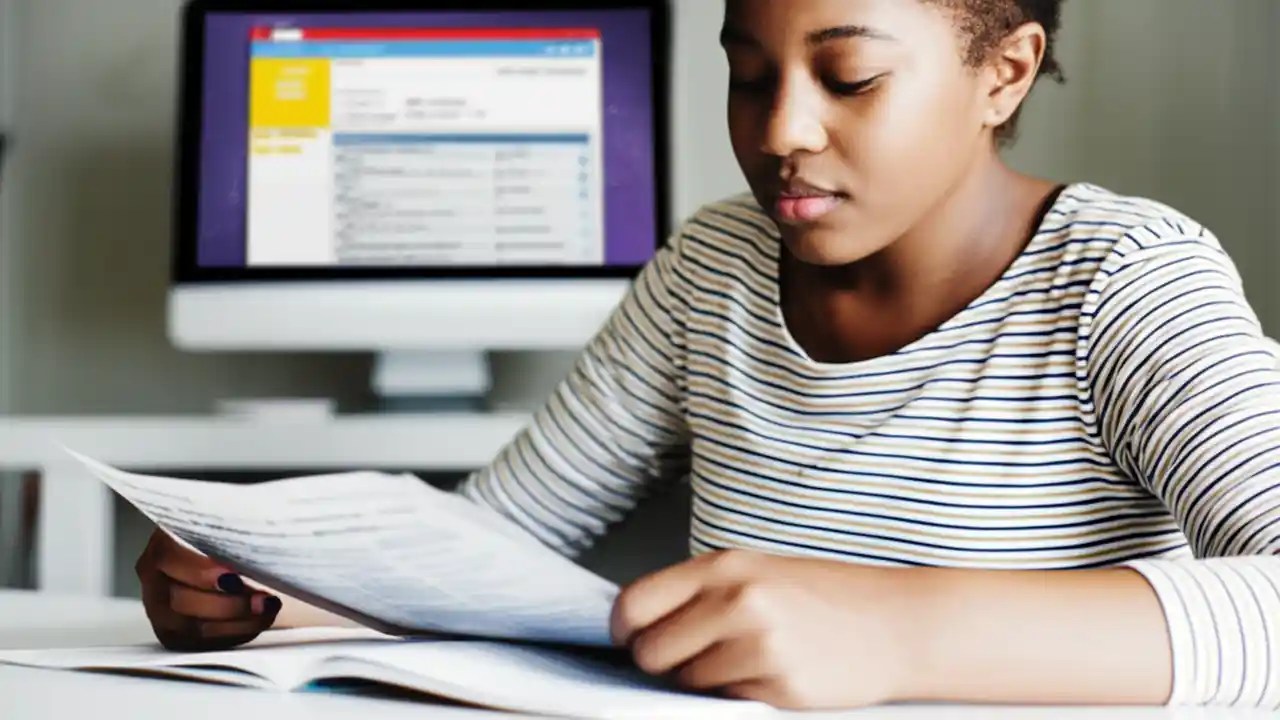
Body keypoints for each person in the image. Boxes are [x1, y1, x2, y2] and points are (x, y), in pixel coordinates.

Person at [133, 0, 1280, 710]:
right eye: (746, 71)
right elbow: (488, 549)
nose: (779, 129)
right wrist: (284, 594)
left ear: (1005, 71)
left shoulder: (1121, 277)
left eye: (849, 77)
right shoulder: (714, 265)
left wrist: (893, 630)